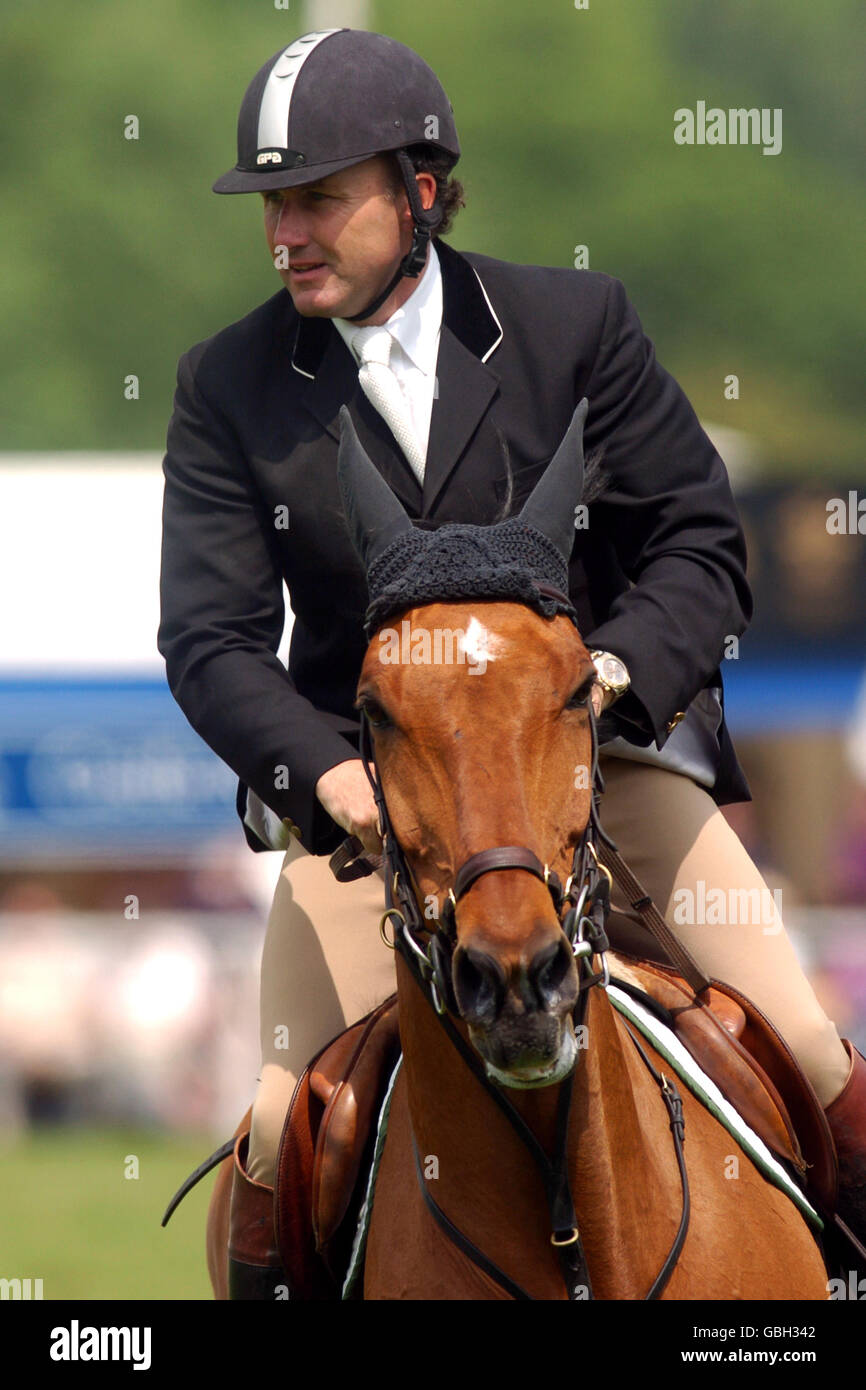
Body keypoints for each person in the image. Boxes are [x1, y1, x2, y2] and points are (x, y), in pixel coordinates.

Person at [158, 28, 865, 1297]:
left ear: (419, 190)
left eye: (318, 198)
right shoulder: (229, 385)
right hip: (374, 813)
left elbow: (698, 543)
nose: (284, 234)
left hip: (603, 770)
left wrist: (602, 681)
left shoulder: (572, 327)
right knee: (274, 1134)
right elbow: (206, 640)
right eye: (273, 204)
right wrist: (327, 780)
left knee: (813, 1051)